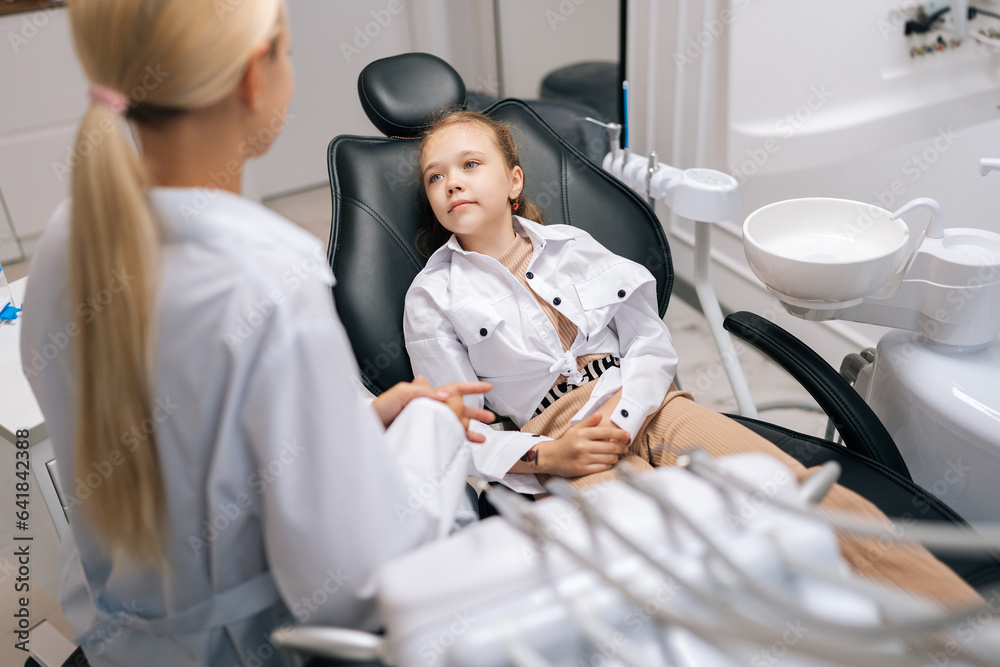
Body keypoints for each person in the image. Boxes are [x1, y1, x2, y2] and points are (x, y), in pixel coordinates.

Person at [20, 2, 492, 665]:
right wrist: (436, 432)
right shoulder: (268, 274)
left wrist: (356, 417)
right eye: (288, 53)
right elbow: (351, 588)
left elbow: (191, 435)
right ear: (252, 77)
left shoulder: (72, 234)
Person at [403, 110, 982, 609]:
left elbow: (650, 344)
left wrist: (628, 417)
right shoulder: (432, 297)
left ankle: (968, 631)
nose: (452, 182)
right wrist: (552, 453)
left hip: (651, 405)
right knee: (673, 558)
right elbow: (456, 428)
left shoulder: (573, 248)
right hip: (564, 444)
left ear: (513, 179)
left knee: (798, 493)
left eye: (470, 164)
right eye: (436, 176)